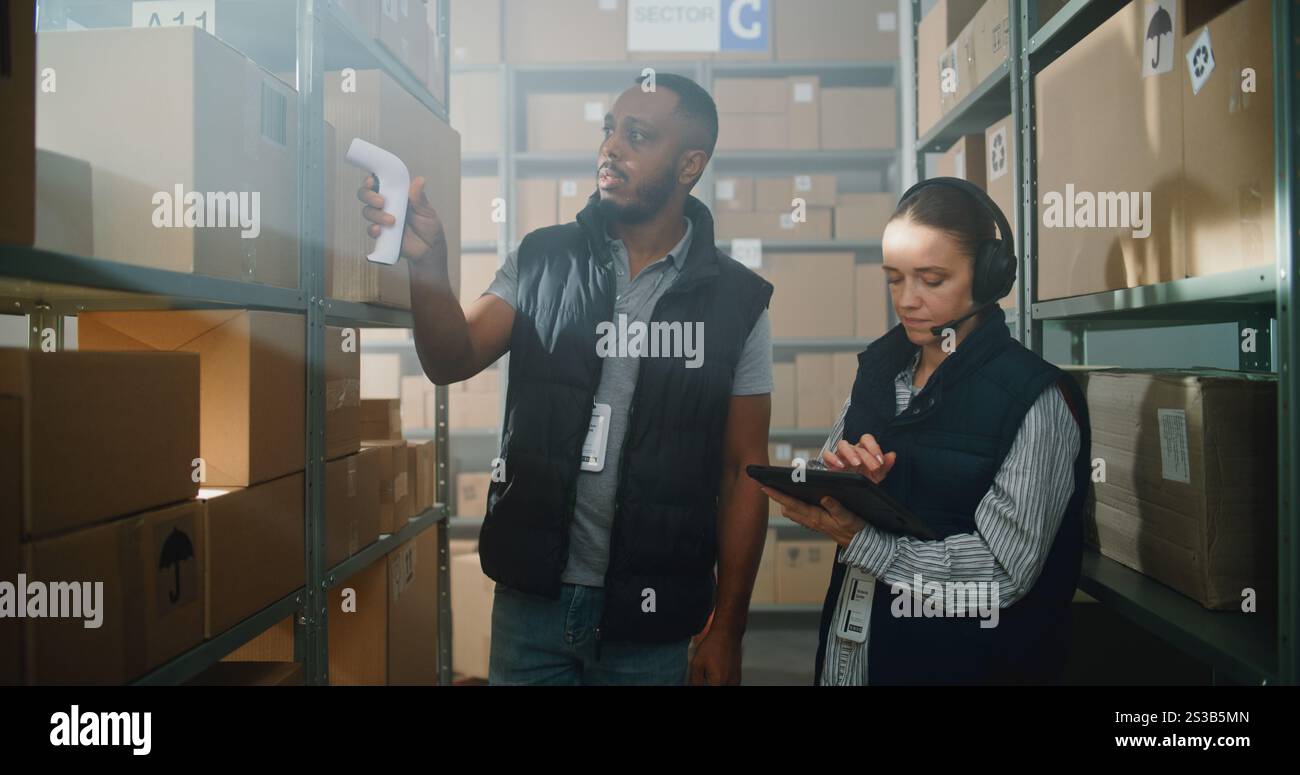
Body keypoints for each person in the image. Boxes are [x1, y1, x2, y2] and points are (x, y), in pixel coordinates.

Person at [357, 73, 774, 685]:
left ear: (690, 164)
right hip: (533, 608)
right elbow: (452, 358)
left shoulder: (739, 302)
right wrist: (428, 264)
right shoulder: (542, 258)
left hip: (652, 619)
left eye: (637, 135)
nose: (612, 147)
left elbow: (745, 472)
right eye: (610, 130)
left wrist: (729, 629)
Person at [759, 177, 1091, 685]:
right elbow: (834, 459)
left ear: (989, 278)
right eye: (895, 278)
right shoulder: (879, 370)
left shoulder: (1037, 399)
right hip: (854, 656)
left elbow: (1001, 576)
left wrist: (863, 540)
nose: (907, 300)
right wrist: (842, 478)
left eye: (931, 280)